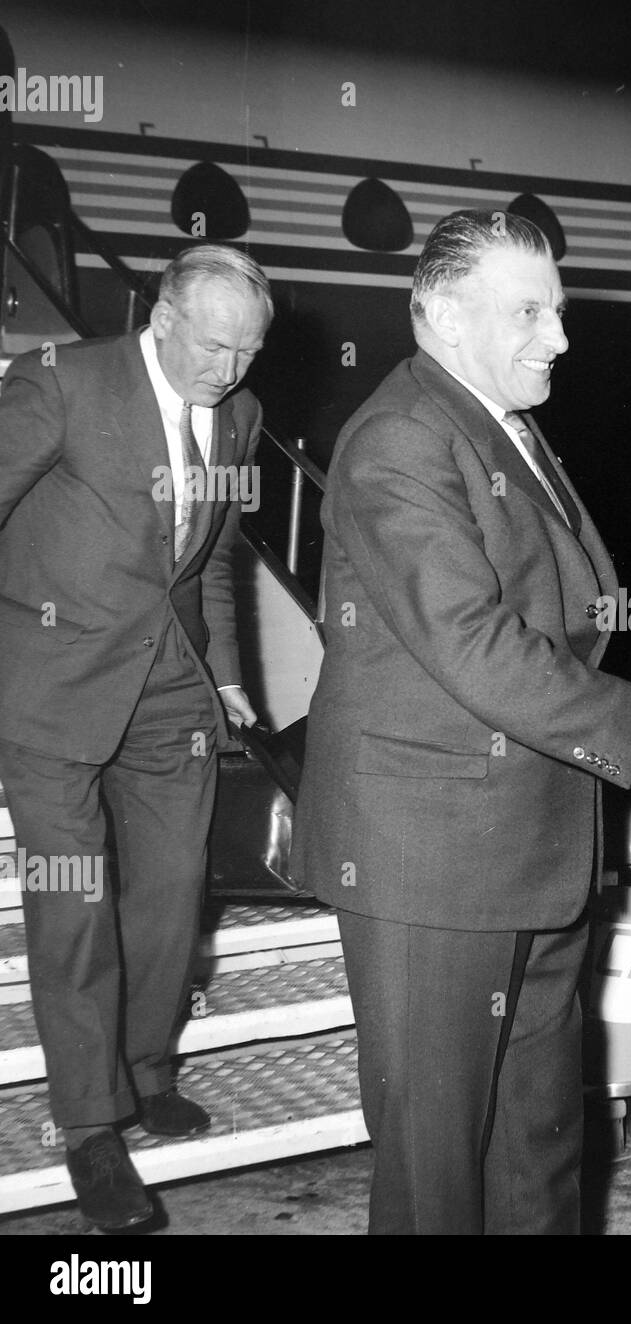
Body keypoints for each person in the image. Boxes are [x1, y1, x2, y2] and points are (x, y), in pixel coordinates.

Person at [291, 210, 631, 1235]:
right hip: (431, 863)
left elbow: (559, 617)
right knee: (436, 1170)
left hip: (529, 841)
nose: (560, 338)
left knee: (538, 1144)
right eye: (529, 311)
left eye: (559, 311)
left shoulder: (500, 422)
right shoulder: (402, 439)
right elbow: (472, 643)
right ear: (444, 314)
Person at [0, 244, 272, 1229]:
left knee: (167, 895)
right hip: (52, 692)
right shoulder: (64, 384)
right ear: (161, 319)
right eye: (211, 345)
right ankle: (89, 1129)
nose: (226, 369)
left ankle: (147, 1068)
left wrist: (231, 676)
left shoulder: (239, 417)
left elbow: (214, 557)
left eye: (246, 350)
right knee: (73, 907)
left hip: (171, 692)